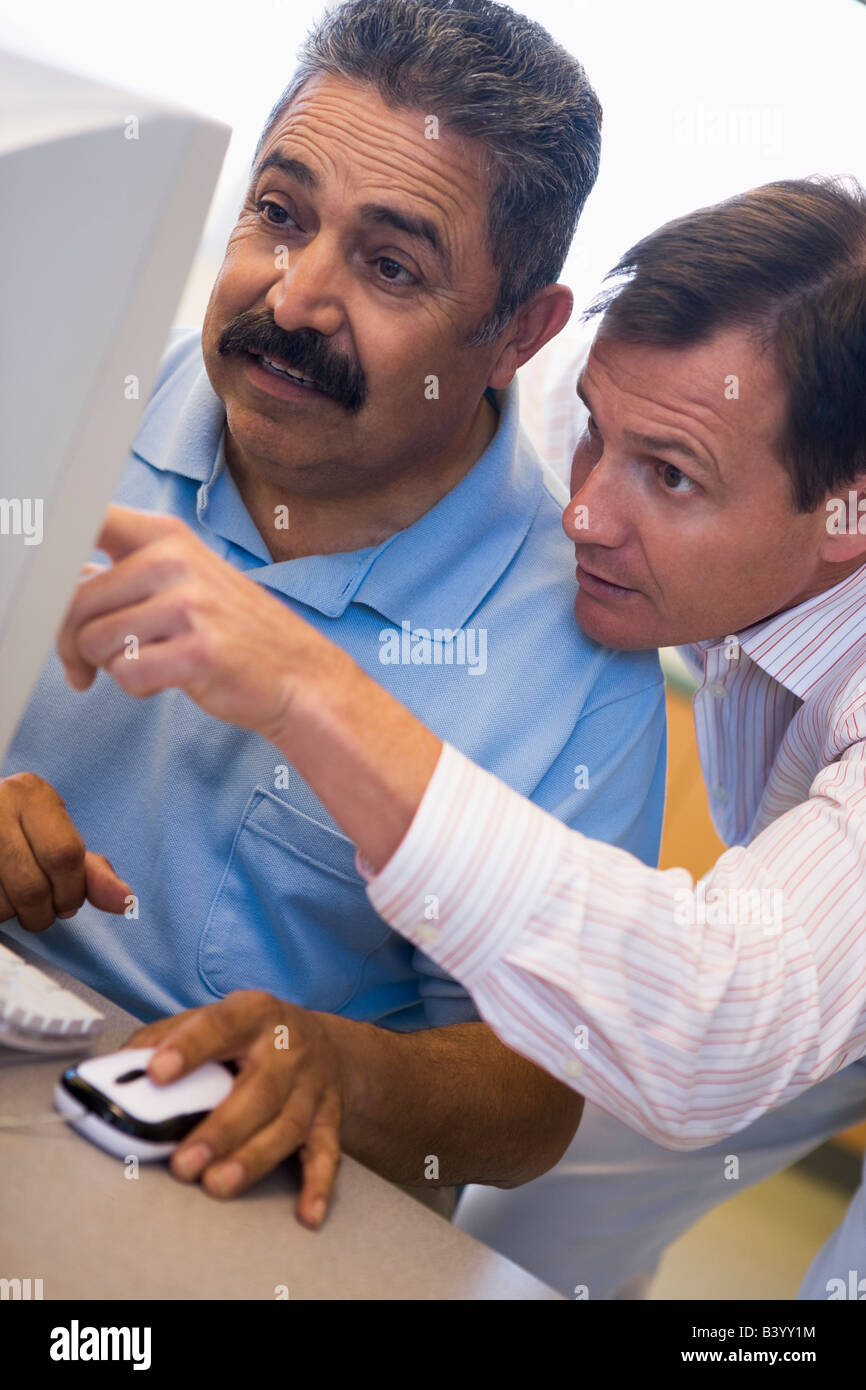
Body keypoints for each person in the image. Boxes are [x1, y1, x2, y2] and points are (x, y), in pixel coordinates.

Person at [53, 174, 866, 1299]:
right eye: (596, 434)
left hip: (766, 961)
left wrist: (311, 689)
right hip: (809, 925)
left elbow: (711, 1022)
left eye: (669, 476)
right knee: (536, 1250)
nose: (583, 514)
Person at [0, 0, 668, 1225]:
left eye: (389, 263)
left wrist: (340, 1067)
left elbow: (531, 1101)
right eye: (278, 214)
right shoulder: (72, 386)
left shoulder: (575, 665)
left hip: (213, 1184)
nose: (294, 296)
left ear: (516, 333)